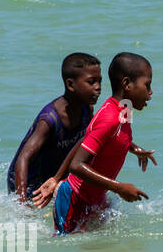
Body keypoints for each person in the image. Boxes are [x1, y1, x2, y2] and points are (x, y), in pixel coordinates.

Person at [52, 52, 157, 234]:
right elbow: (77, 165)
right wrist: (119, 187)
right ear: (127, 84)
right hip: (74, 199)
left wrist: (134, 148)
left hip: (96, 199)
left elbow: (116, 137)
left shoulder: (125, 108)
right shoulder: (109, 118)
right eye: (146, 85)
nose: (150, 92)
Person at [7, 53, 102, 202]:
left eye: (99, 81)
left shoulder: (87, 109)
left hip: (52, 177)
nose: (98, 88)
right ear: (70, 85)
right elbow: (23, 158)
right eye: (91, 82)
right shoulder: (50, 119)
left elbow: (92, 138)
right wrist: (22, 203)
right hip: (27, 181)